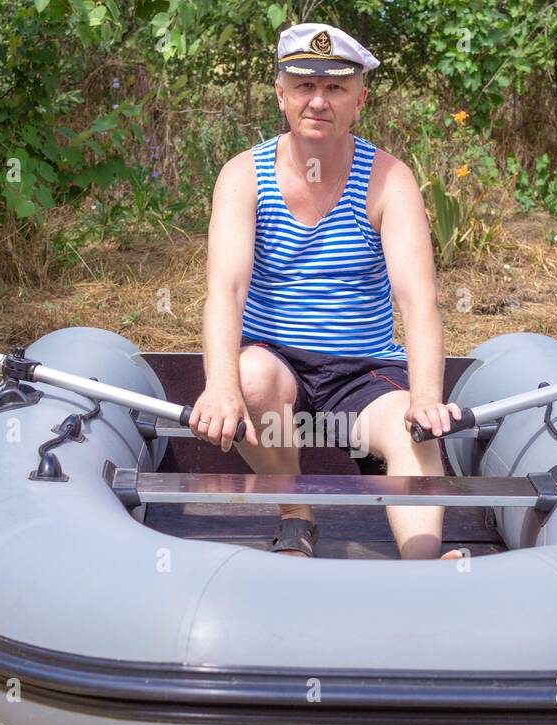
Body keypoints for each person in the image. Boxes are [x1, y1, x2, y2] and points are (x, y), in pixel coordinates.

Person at [190, 22, 463, 559]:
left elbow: (418, 301)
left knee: (416, 432)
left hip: (363, 373)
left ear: (359, 100)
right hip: (276, 362)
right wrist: (219, 388)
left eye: (335, 88)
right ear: (281, 95)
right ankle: (297, 515)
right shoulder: (243, 175)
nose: (318, 101)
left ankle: (425, 566)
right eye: (303, 86)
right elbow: (226, 290)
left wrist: (427, 397)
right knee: (248, 377)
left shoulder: (389, 179)